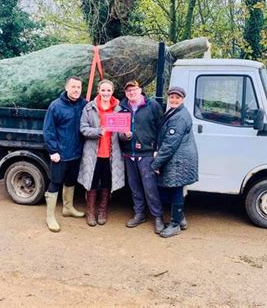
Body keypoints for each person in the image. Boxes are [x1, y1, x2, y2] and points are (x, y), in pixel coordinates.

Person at [151, 86, 198, 238]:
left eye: (177, 97)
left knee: (176, 189)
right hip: (178, 158)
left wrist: (156, 163)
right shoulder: (174, 111)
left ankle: (175, 224)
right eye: (172, 97)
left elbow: (170, 144)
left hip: (179, 160)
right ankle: (180, 219)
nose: (174, 100)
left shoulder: (179, 117)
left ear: (183, 99)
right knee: (171, 189)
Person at [119, 80, 165, 234]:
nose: (132, 92)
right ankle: (139, 214)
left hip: (146, 153)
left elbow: (161, 128)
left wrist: (157, 148)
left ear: (140, 90)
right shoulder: (121, 107)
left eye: (134, 89)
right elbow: (117, 131)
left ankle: (158, 216)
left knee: (150, 187)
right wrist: (124, 136)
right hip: (128, 153)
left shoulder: (152, 106)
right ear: (125, 93)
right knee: (134, 187)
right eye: (128, 90)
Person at [43, 76, 87, 232]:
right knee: (55, 183)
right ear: (67, 88)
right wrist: (53, 151)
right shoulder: (56, 106)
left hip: (76, 153)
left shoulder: (84, 104)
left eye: (79, 87)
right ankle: (50, 217)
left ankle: (68, 208)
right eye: (73, 87)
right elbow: (48, 130)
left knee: (71, 181)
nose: (76, 90)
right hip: (60, 154)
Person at [78, 79, 125, 226]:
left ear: (112, 91)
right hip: (93, 152)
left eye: (108, 91)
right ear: (98, 90)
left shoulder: (118, 108)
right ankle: (91, 212)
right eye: (103, 90)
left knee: (106, 183)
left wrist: (127, 134)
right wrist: (98, 131)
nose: (106, 93)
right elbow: (83, 128)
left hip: (111, 153)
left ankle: (102, 211)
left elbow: (121, 133)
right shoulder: (89, 107)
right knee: (91, 182)